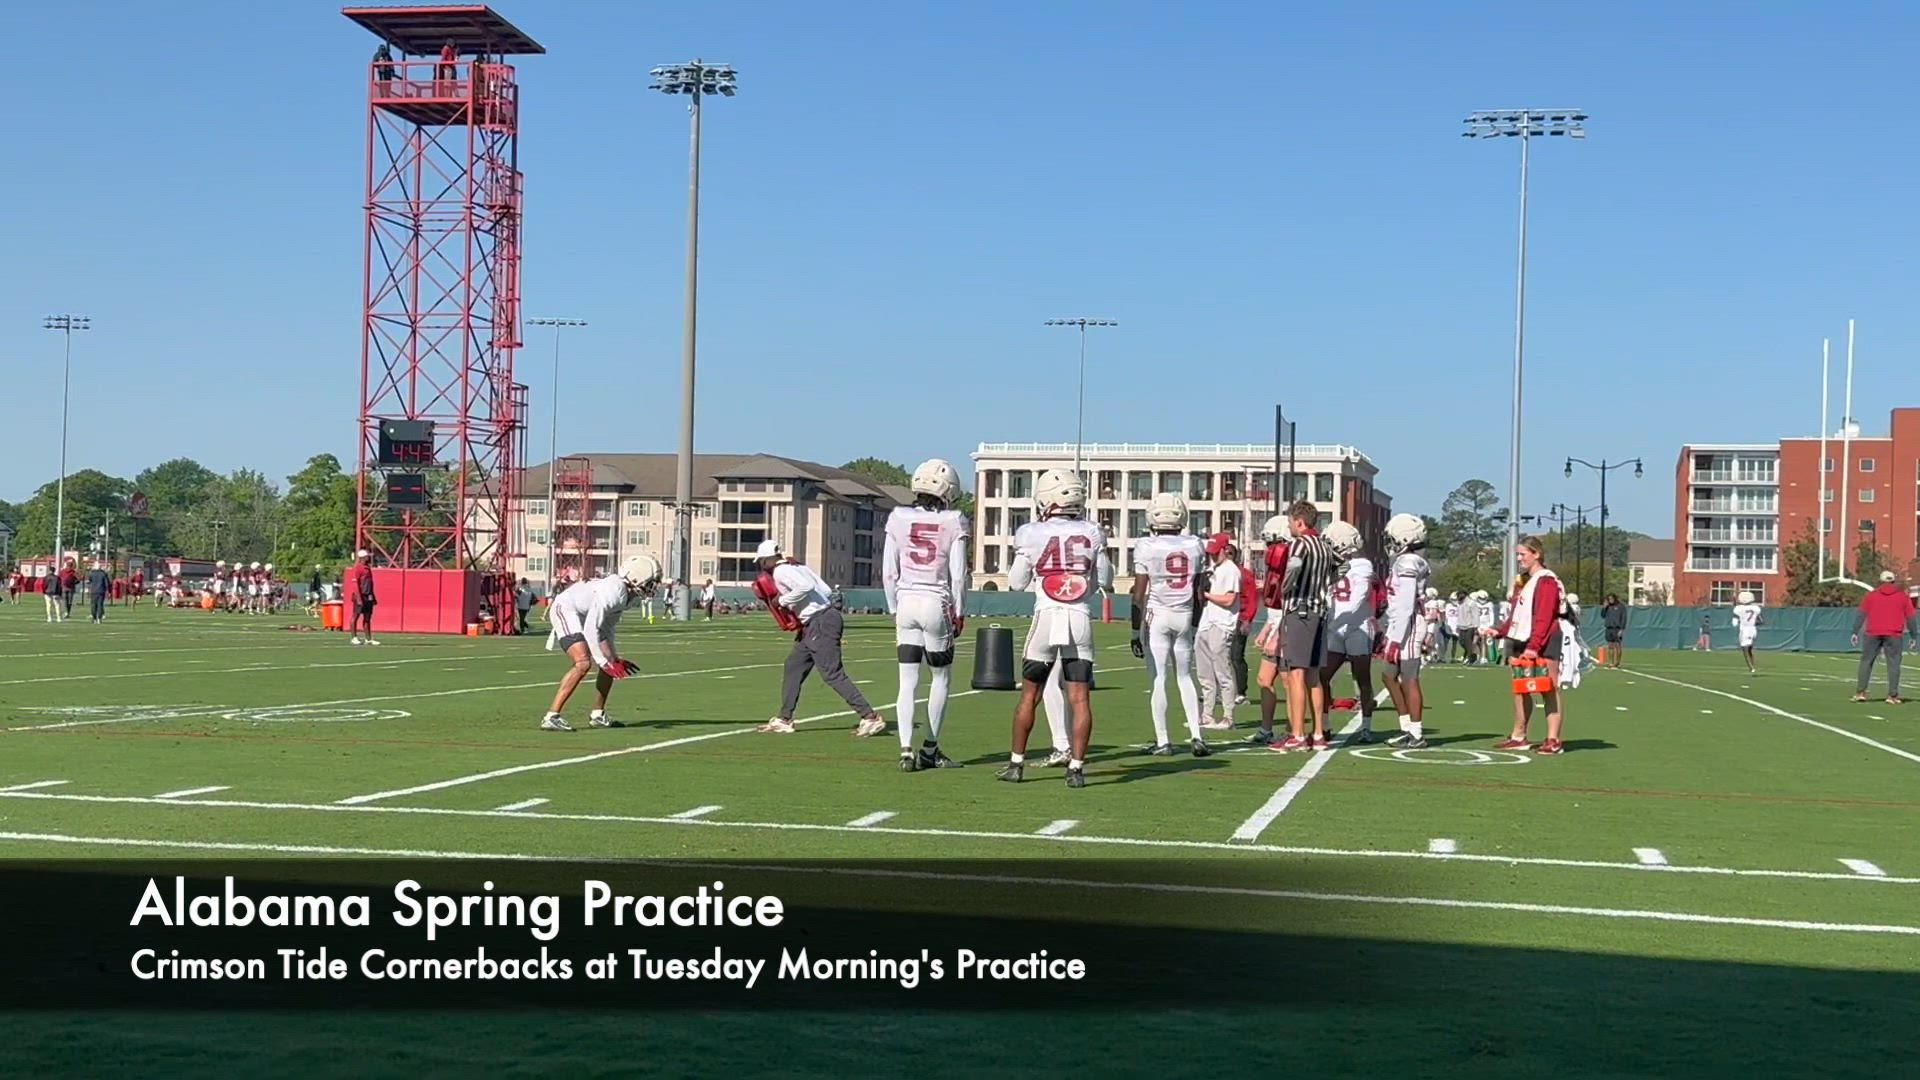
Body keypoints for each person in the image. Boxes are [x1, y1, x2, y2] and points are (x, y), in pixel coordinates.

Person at [998, 468, 1110, 789]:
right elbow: (1104, 580)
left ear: (1045, 499)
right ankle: (1076, 769)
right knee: (1080, 699)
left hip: (1046, 614)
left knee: (1029, 695)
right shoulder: (1091, 531)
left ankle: (1016, 764)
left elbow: (1016, 583)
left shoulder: (1031, 532)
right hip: (1078, 617)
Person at [882, 458, 971, 770]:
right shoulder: (954, 521)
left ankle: (906, 748)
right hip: (935, 601)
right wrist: (960, 610)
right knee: (940, 678)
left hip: (906, 601)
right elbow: (958, 574)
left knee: (907, 680)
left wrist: (894, 607)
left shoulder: (898, 519)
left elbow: (888, 572)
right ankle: (930, 749)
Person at [753, 540, 886, 737]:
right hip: (818, 621)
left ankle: (869, 716)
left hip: (819, 622)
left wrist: (782, 600)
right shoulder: (798, 566)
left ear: (766, 560)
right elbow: (824, 590)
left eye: (761, 562)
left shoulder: (781, 572)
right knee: (794, 665)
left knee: (832, 673)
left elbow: (805, 587)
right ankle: (784, 718)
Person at [539, 554, 660, 730]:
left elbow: (606, 628)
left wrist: (613, 658)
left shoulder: (627, 596)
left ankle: (598, 714)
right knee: (583, 663)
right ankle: (551, 716)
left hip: (585, 615)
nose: (652, 587)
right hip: (566, 609)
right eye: (650, 582)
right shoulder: (614, 590)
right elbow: (591, 629)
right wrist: (604, 661)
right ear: (636, 576)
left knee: (609, 665)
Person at [1129, 494, 1208, 755]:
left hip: (1158, 615)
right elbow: (1199, 591)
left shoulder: (1146, 546)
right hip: (1185, 614)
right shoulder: (1195, 544)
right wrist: (1195, 625)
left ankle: (1163, 740)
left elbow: (1139, 594)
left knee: (1159, 678)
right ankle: (1197, 735)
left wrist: (1133, 630)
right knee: (1185, 676)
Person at [1267, 501, 1335, 753]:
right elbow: (1343, 565)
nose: (1289, 526)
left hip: (1300, 610)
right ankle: (1318, 734)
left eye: (1290, 522)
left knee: (1296, 674)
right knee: (1314, 675)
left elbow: (1294, 566)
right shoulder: (1325, 546)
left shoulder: (1300, 543)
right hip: (1319, 610)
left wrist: (1284, 588)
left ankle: (1297, 733)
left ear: (1299, 521)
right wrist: (1325, 585)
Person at [1487, 536, 1566, 754]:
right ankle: (1518, 735)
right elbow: (1516, 614)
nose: (1519, 558)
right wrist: (1500, 631)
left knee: (1548, 688)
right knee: (1520, 688)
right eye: (1518, 554)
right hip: (1520, 638)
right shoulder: (1523, 581)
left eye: (1523, 554)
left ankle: (1553, 739)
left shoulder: (1546, 580)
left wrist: (1534, 645)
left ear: (1536, 554)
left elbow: (1544, 615)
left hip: (1543, 639)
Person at [1320, 521, 1379, 741]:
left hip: (1357, 627)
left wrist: (1338, 621)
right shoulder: (1330, 564)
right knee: (1322, 676)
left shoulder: (1362, 565)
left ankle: (1366, 726)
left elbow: (1360, 596)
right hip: (1335, 627)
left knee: (1362, 678)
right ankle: (1323, 725)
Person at [1377, 514, 1432, 748]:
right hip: (1401, 624)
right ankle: (1406, 727)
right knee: (1388, 675)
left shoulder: (1408, 562)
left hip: (1408, 625)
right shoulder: (1405, 561)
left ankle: (1416, 733)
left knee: (1409, 678)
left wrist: (1396, 639)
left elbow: (1407, 602)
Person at [1192, 532, 1242, 739]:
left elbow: (1230, 599)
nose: (1212, 557)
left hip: (1222, 624)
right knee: (1205, 673)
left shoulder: (1231, 570)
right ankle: (1207, 715)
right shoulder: (1213, 569)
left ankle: (1228, 716)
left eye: (1215, 553)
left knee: (1223, 672)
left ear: (1224, 550)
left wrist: (1207, 595)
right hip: (1206, 622)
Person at [1249, 514, 1292, 742]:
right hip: (1276, 626)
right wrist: (1267, 628)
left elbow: (1290, 606)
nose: (1268, 549)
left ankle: (1291, 730)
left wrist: (1276, 633)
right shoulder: (1275, 569)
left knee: (1289, 682)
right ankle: (1266, 729)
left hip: (1288, 630)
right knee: (1264, 680)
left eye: (1272, 543)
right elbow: (1275, 607)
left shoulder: (1291, 566)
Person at [1851, 571, 1917, 704]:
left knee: (1866, 662)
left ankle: (1860, 692)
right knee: (1893, 664)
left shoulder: (1871, 596)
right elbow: (1911, 618)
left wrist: (1855, 631)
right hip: (1894, 633)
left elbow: (1861, 614)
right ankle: (1892, 696)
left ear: (1880, 581)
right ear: (1893, 582)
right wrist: (1913, 635)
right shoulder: (1902, 597)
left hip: (1872, 632)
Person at [1230, 543, 1257, 705]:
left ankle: (1241, 692)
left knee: (1236, 656)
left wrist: (1247, 619)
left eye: (1230, 553)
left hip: (1239, 619)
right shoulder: (1219, 573)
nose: (1227, 556)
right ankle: (1226, 690)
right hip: (1222, 619)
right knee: (1221, 657)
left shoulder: (1244, 575)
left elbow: (1252, 599)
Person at [343, 549, 379, 645]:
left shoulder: (367, 567)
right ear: (362, 558)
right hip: (360, 595)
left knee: (367, 617)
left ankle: (368, 639)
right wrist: (359, 598)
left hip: (368, 595)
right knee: (356, 616)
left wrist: (373, 596)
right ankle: (354, 637)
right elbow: (355, 585)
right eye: (367, 556)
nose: (368, 558)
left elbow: (370, 583)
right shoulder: (358, 568)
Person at [1731, 590, 1764, 675]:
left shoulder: (1738, 609)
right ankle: (1753, 666)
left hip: (1745, 629)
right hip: (1753, 630)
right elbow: (1761, 621)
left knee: (1744, 650)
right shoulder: (1756, 608)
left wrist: (1740, 621)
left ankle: (1751, 668)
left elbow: (1734, 623)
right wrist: (1752, 622)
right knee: (1749, 649)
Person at [1601, 594, 1628, 668]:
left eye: (1611, 599)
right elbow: (1603, 615)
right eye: (1609, 599)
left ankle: (1617, 662)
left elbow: (1624, 618)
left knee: (1617, 646)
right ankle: (1611, 662)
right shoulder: (1608, 607)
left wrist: (1622, 629)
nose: (1610, 600)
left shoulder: (1621, 606)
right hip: (1609, 628)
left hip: (1617, 629)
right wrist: (1604, 607)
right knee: (1610, 646)